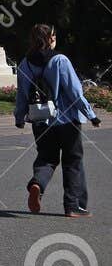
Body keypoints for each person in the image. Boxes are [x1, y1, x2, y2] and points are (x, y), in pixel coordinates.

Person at [14, 23, 100, 217]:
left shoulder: (24, 64)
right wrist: (91, 115)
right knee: (73, 160)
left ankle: (37, 184)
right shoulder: (60, 60)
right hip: (67, 120)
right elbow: (75, 92)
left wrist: (20, 118)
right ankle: (73, 205)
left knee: (46, 158)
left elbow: (22, 95)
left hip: (40, 120)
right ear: (50, 38)